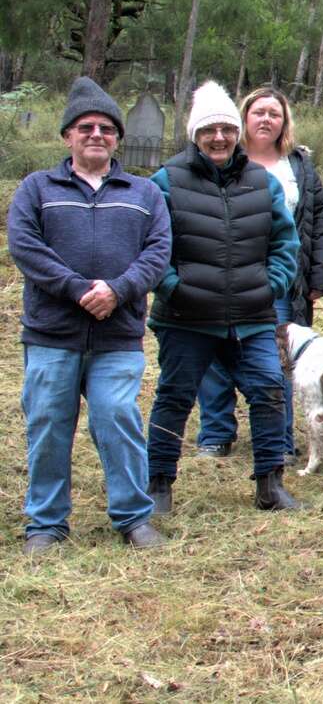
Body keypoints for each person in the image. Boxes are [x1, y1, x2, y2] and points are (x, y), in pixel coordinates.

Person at [8, 76, 171, 552]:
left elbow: (158, 253)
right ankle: (45, 523)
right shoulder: (36, 188)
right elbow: (26, 247)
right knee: (48, 425)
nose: (96, 134)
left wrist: (118, 291)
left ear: (117, 138)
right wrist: (79, 290)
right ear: (68, 136)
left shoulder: (145, 194)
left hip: (117, 335)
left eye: (106, 128)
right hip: (51, 334)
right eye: (86, 127)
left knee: (117, 418)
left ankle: (134, 518)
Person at [145, 81, 301, 513]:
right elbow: (151, 247)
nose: (219, 138)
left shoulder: (262, 182)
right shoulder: (166, 181)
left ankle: (270, 484)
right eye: (209, 130)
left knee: (269, 390)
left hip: (252, 316)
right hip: (185, 317)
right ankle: (158, 486)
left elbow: (284, 243)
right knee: (174, 397)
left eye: (227, 129)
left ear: (237, 132)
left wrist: (270, 286)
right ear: (195, 134)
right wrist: (175, 288)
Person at [193, 87, 323, 460]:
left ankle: (278, 439)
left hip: (281, 279)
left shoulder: (299, 166)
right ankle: (216, 433)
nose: (266, 119)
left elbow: (319, 220)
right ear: (244, 118)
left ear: (284, 122)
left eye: (274, 113)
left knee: (277, 359)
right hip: (221, 276)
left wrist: (319, 276)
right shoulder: (223, 158)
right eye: (259, 112)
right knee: (215, 354)